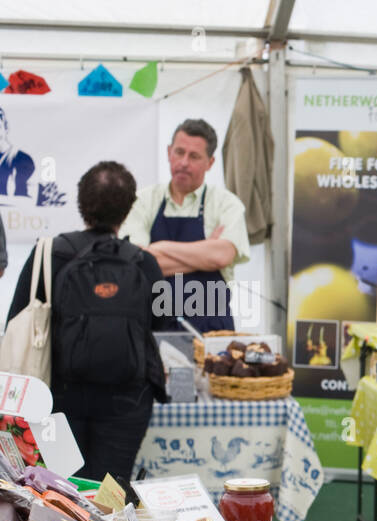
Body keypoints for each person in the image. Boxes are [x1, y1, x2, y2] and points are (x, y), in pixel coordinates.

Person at [5, 161, 171, 489]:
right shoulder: (145, 263)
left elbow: (16, 320)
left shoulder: (47, 254)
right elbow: (160, 323)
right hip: (127, 404)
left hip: (57, 403)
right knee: (109, 493)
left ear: (81, 203)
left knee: (59, 491)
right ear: (128, 209)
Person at [120, 119, 250, 333]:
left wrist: (157, 249)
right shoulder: (142, 201)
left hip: (212, 329)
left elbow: (221, 256)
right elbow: (136, 264)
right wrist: (205, 251)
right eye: (179, 152)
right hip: (155, 328)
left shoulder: (227, 204)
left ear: (210, 162)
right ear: (168, 152)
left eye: (194, 156)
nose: (183, 162)